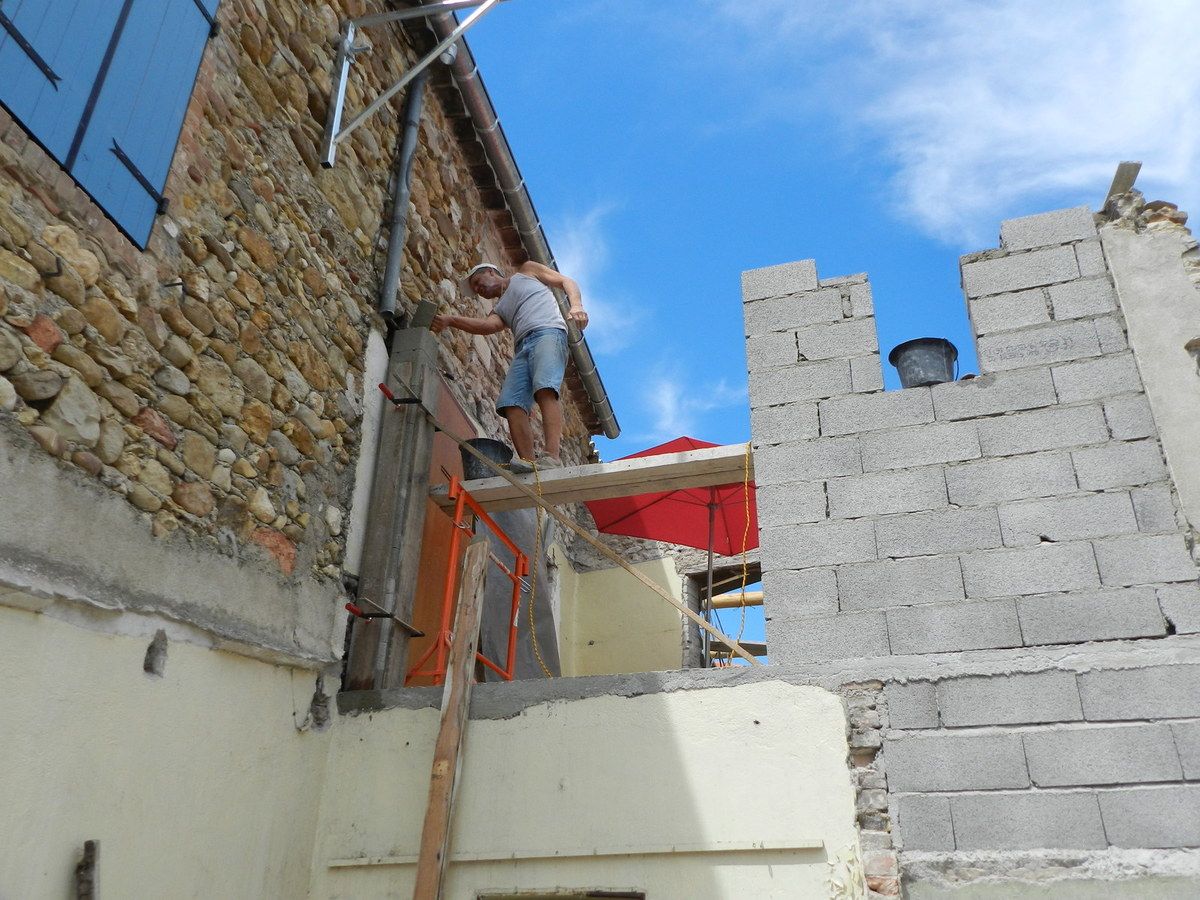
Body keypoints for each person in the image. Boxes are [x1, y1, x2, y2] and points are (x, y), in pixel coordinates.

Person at [431, 260, 588, 469]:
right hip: (523, 346)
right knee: (510, 403)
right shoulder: (500, 309)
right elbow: (487, 326)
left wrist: (576, 305)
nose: (479, 290)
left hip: (548, 332)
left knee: (544, 389)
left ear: (490, 271)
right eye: (476, 289)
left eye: (478, 282)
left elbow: (565, 281)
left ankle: (552, 457)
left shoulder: (527, 271)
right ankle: (530, 465)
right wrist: (451, 320)